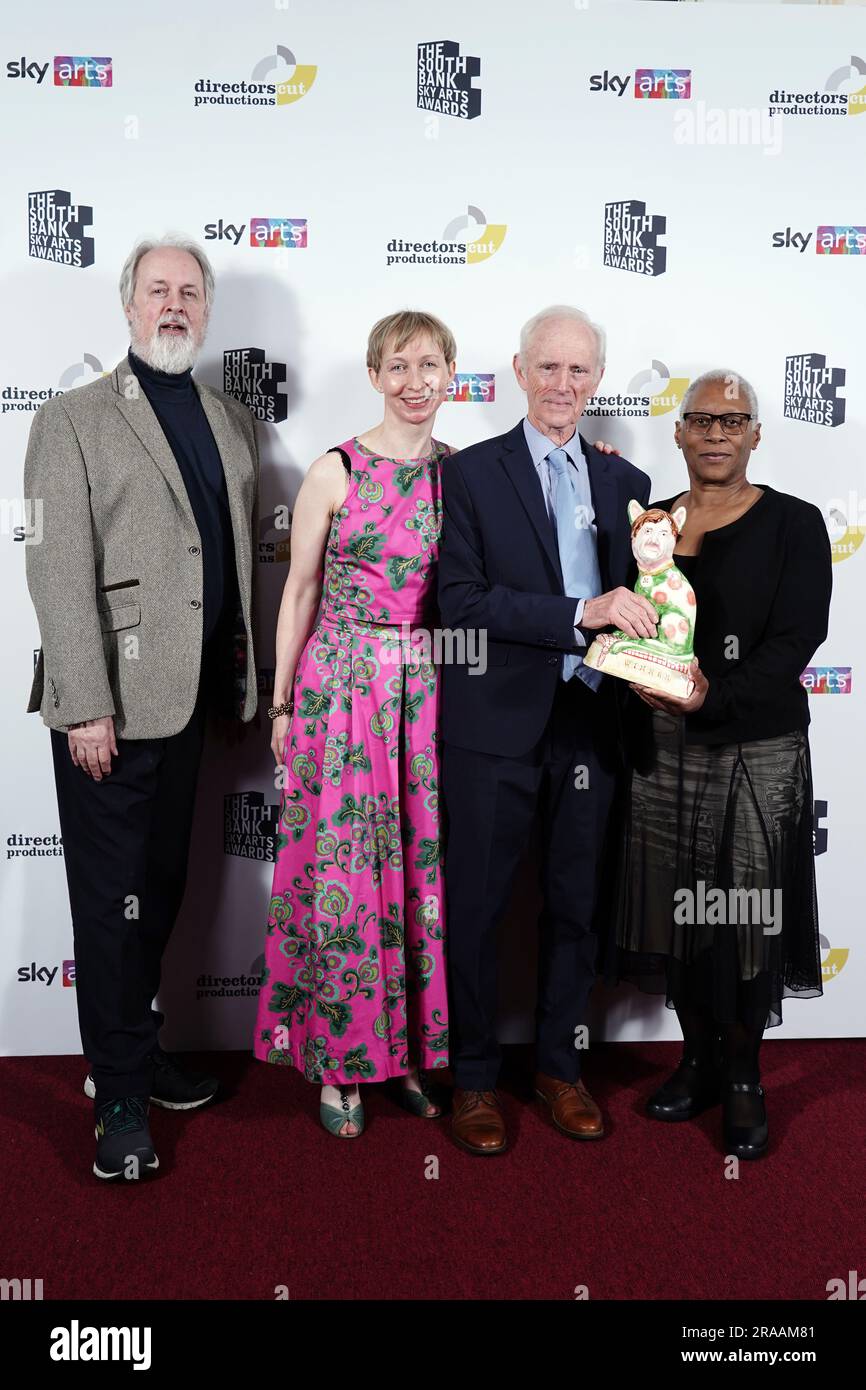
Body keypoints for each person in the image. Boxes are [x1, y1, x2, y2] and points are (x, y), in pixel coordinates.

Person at [24, 235, 259, 1181]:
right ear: (127, 308)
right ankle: (117, 1092)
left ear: (206, 310)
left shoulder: (230, 419)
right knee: (110, 911)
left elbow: (232, 567)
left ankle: (135, 1047)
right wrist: (83, 703)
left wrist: (243, 680)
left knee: (156, 894)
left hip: (192, 704)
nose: (174, 305)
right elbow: (54, 567)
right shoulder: (72, 417)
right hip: (108, 712)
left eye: (190, 292)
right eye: (157, 290)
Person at [438, 305, 653, 1155]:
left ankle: (562, 1067)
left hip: (593, 723)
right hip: (493, 725)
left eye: (581, 372)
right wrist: (579, 614)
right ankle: (476, 1078)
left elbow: (653, 607)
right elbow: (461, 603)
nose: (565, 386)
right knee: (479, 908)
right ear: (519, 371)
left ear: (597, 381)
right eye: (550, 369)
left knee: (574, 905)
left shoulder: (627, 485)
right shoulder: (471, 475)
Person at [610, 369, 832, 1159]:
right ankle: (696, 1059)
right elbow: (634, 618)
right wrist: (640, 674)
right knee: (678, 911)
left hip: (753, 744)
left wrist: (713, 698)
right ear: (677, 432)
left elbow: (796, 643)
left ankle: (744, 1077)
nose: (714, 433)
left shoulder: (795, 523)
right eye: (700, 419)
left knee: (741, 919)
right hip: (661, 746)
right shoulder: (652, 523)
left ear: (756, 435)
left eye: (732, 421)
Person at [254, 310, 453, 1136]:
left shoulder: (461, 474)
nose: (414, 381)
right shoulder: (335, 470)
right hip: (338, 691)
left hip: (421, 693)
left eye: (430, 365)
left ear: (453, 375)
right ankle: (338, 1062)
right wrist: (281, 700)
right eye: (397, 365)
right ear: (375, 375)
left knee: (412, 879)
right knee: (341, 878)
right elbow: (297, 591)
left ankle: (398, 1052)